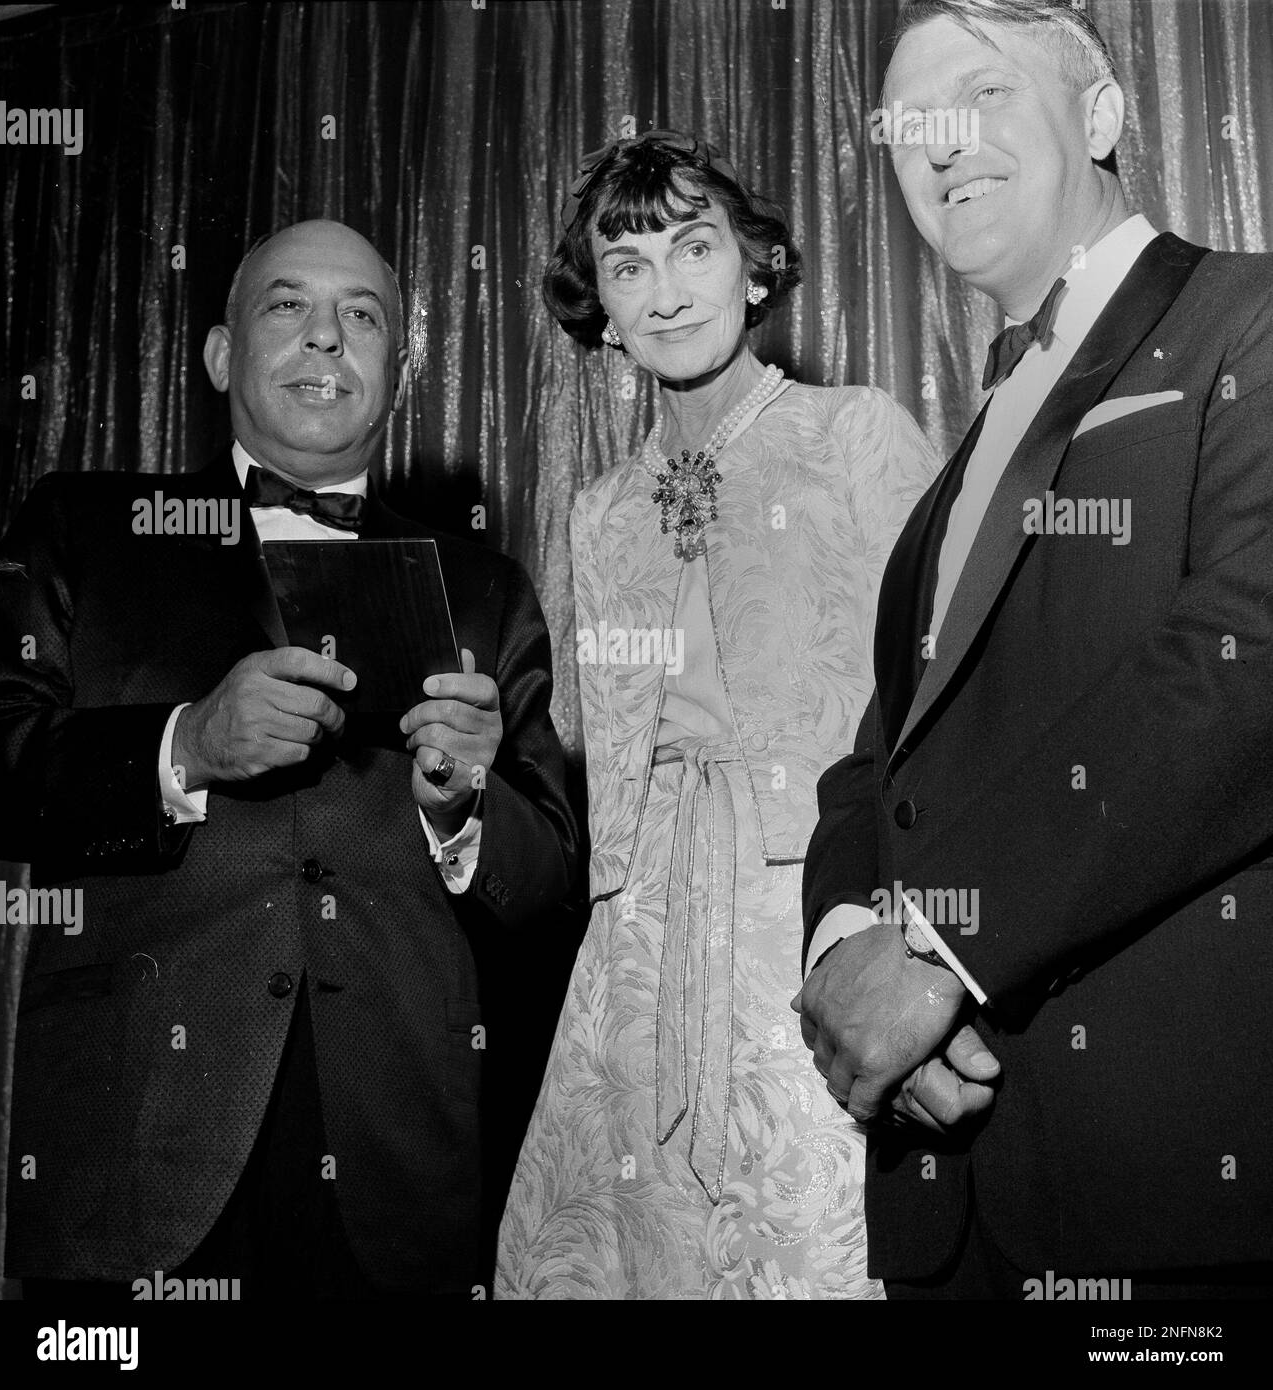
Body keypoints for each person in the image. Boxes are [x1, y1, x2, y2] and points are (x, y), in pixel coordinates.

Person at [0, 219, 578, 1299]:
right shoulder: (82, 525)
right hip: (137, 1154)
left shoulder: (486, 588)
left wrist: (462, 808)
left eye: (362, 317)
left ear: (398, 371)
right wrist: (186, 746)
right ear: (219, 355)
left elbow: (549, 888)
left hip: (400, 1173)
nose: (324, 338)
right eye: (286, 306)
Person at [798, 0, 1273, 1300]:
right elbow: (875, 763)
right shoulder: (952, 469)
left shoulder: (1252, 314)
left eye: (983, 92)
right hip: (944, 1202)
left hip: (1171, 1201)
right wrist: (842, 943)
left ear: (1104, 114)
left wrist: (943, 949)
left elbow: (1245, 656)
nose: (941, 143)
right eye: (909, 128)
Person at [495, 131, 938, 1299]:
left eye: (693, 245)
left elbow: (946, 706)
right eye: (626, 263)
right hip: (637, 948)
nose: (666, 286)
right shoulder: (596, 511)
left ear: (753, 268)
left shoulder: (855, 434)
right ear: (600, 309)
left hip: (818, 917)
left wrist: (926, 951)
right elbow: (603, 767)